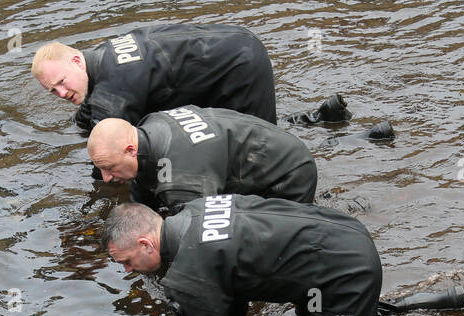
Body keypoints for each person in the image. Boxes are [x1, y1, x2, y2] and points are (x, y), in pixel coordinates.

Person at [104, 196, 382, 316]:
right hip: (342, 230)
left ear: (145, 244)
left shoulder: (187, 277)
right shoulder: (196, 208)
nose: (128, 270)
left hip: (345, 271)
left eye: (127, 261)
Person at [30, 25, 277, 134]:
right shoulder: (102, 56)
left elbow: (110, 160)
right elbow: (90, 112)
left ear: (75, 61)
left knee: (258, 148)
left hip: (241, 65)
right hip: (234, 39)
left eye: (62, 82)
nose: (61, 93)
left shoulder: (113, 91)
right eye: (53, 91)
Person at [87, 107, 317, 214]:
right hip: (265, 145)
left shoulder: (181, 181)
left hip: (289, 173)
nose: (106, 178)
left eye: (109, 168)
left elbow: (198, 240)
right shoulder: (150, 125)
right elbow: (142, 192)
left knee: (269, 249)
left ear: (130, 150)